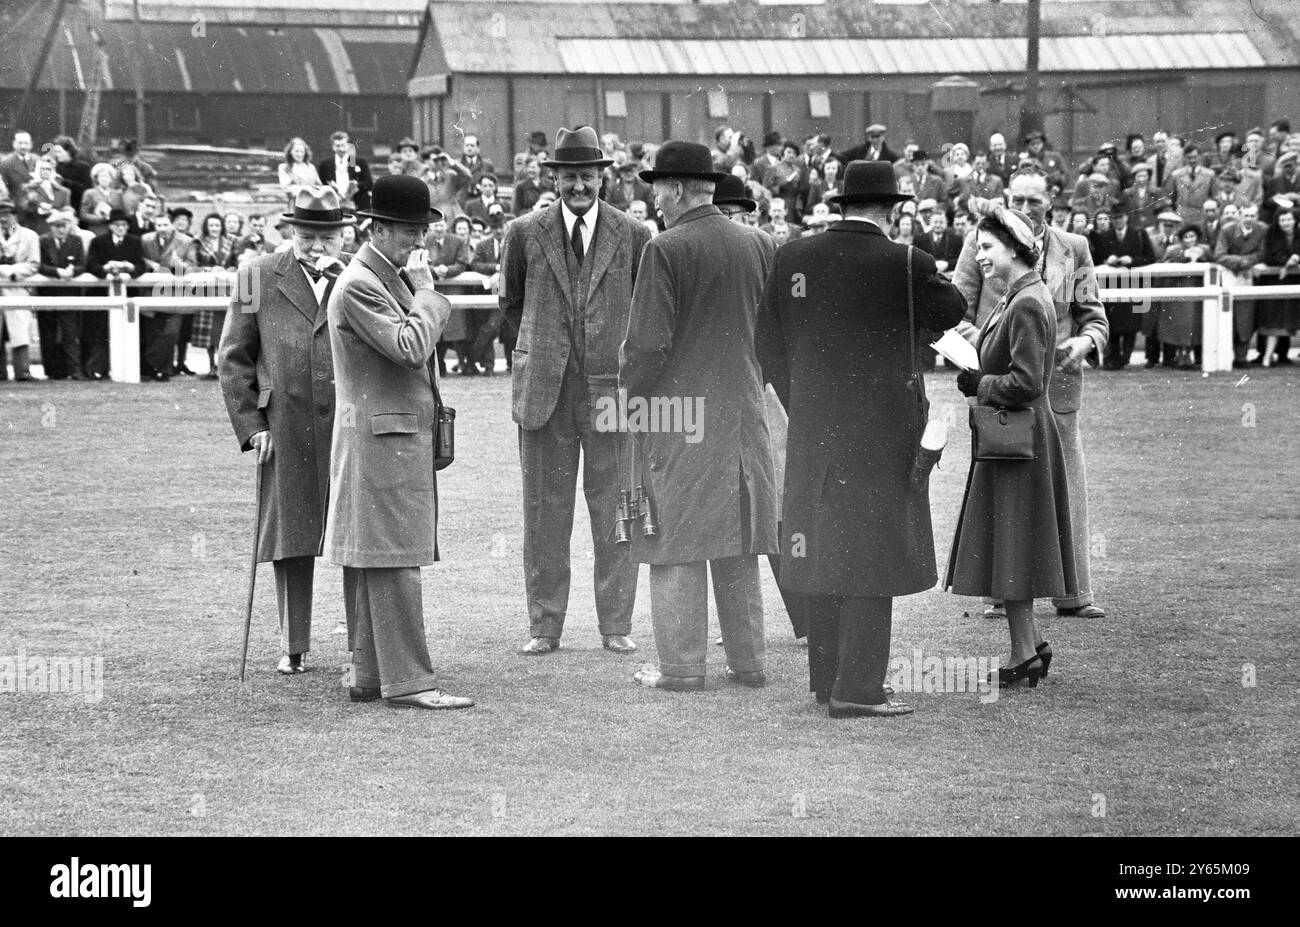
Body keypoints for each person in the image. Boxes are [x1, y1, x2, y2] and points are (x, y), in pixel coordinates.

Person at [757, 160, 965, 716]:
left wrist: (802, 399)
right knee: (873, 557)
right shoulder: (906, 262)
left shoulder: (793, 256)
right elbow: (953, 310)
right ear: (893, 207)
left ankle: (827, 680)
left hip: (814, 432)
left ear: (839, 203)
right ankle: (860, 690)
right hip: (882, 436)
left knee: (822, 550)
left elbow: (766, 345)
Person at [620, 139, 779, 691]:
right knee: (738, 541)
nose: (655, 202)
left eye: (658, 190)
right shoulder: (761, 244)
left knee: (675, 543)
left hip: (679, 417)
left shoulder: (665, 249)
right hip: (743, 414)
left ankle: (680, 668)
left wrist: (629, 398)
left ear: (679, 189)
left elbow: (646, 346)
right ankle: (749, 662)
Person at [499, 126, 651, 656]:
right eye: (570, 177)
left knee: (616, 508)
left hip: (612, 395)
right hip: (544, 393)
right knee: (544, 512)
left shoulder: (632, 233)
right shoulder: (523, 232)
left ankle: (616, 626)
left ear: (603, 177)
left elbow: (645, 307)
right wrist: (545, 353)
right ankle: (544, 626)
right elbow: (511, 304)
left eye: (588, 176)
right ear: (555, 178)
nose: (579, 186)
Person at [324, 173, 472, 710]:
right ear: (379, 229)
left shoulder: (378, 276)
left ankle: (368, 674)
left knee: (374, 558)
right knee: (392, 559)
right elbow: (409, 347)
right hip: (383, 438)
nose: (419, 242)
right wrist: (430, 294)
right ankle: (411, 682)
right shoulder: (365, 282)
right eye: (409, 231)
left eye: (422, 230)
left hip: (384, 436)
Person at [952, 165, 1108, 620]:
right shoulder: (980, 244)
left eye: (1033, 201)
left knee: (1066, 491)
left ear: (1051, 200)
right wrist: (991, 343)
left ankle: (1073, 593)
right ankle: (1002, 591)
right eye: (1016, 200)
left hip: (1058, 391)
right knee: (1005, 488)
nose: (1024, 208)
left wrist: (1083, 342)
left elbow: (1094, 317)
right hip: (1001, 390)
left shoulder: (1073, 249)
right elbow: (957, 310)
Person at [219, 188, 352, 674]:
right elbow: (233, 359)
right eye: (306, 235)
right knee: (291, 539)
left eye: (327, 236)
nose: (317, 246)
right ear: (290, 232)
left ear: (343, 235)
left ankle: (362, 645)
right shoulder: (255, 275)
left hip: (349, 427)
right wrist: (252, 427)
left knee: (355, 535)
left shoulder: (360, 275)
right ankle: (293, 647)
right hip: (284, 428)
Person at [946, 204, 1077, 689]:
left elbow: (1025, 381)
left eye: (987, 247)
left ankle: (1026, 652)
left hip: (1019, 437)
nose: (979, 255)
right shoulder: (1017, 294)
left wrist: (980, 383)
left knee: (1015, 545)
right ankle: (1029, 648)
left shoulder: (1025, 301)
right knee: (1012, 546)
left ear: (1014, 249)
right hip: (1015, 436)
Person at [1090, 201, 1156, 369]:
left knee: (1130, 322)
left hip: (1132, 284)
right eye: (1115, 218)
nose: (1118, 221)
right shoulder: (1104, 236)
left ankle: (1125, 357)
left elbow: (1150, 257)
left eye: (1120, 217)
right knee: (1111, 321)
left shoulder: (1139, 234)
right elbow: (1096, 259)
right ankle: (1113, 358)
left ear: (1126, 217)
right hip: (1111, 284)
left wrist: (1132, 260)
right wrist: (1107, 260)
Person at [36, 208, 87, 379]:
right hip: (47, 291)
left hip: (69, 291)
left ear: (69, 225)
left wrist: (73, 271)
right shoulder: (42, 240)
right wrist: (58, 272)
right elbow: (39, 265)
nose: (60, 229)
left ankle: (74, 370)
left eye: (63, 225)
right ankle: (52, 371)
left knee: (70, 332)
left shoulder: (76, 240)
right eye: (56, 226)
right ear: (50, 226)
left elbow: (83, 264)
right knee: (48, 332)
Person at [1215, 203, 1267, 367]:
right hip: (1229, 275)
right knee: (1227, 316)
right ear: (1239, 216)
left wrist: (1249, 262)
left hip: (1249, 277)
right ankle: (1224, 356)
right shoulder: (1227, 230)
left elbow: (1262, 253)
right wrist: (1240, 262)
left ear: (1257, 217)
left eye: (1252, 216)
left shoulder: (1262, 230)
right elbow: (1220, 255)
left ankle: (1241, 357)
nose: (1249, 219)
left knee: (1246, 318)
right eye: (1246, 216)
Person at [1156, 224, 1214, 369]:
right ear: (1181, 239)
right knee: (1176, 326)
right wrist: (1184, 256)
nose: (1189, 239)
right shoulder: (1173, 250)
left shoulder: (1204, 249)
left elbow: (1213, 261)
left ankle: (1191, 356)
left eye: (1192, 236)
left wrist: (1199, 256)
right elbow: (1164, 264)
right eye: (1186, 237)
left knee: (1194, 327)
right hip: (1176, 292)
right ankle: (1175, 357)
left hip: (1197, 293)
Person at [187, 213, 237, 378]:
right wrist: (209, 270)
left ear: (221, 226)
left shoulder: (231, 241)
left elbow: (237, 262)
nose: (214, 228)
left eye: (217, 225)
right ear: (206, 227)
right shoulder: (198, 242)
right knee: (209, 328)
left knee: (225, 326)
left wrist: (228, 271)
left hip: (227, 287)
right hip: (207, 287)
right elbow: (192, 265)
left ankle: (223, 365)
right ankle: (211, 365)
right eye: (211, 226)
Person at [0, 197, 40, 380]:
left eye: (7, 214)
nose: (3, 219)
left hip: (18, 287)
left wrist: (10, 271)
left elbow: (34, 264)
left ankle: (23, 372)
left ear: (15, 216)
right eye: (0, 215)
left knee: (20, 332)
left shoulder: (30, 236)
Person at [1257, 207, 1300, 365]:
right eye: (1283, 220)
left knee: (1292, 320)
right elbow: (1268, 257)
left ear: (1295, 220)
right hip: (1274, 281)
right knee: (1273, 322)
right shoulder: (1271, 233)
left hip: (1295, 281)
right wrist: (1287, 262)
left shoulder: (1298, 234)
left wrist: (1295, 258)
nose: (1286, 223)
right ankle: (1267, 357)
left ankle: (1283, 355)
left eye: (1289, 219)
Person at [317, 131, 373, 213]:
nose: (341, 149)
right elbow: (321, 186)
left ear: (348, 146)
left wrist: (356, 185)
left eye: (343, 145)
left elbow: (369, 184)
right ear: (333, 147)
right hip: (333, 206)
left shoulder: (359, 162)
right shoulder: (325, 164)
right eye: (337, 146)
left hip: (356, 206)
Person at [278, 137, 321, 205]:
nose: (299, 154)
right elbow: (286, 188)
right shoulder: (284, 167)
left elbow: (319, 186)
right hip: (295, 204)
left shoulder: (311, 167)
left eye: (302, 151)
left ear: (305, 153)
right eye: (296, 151)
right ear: (290, 152)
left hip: (312, 203)